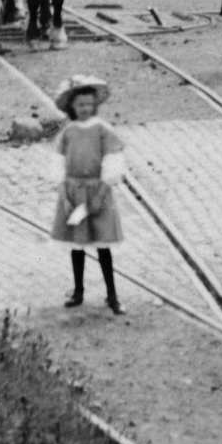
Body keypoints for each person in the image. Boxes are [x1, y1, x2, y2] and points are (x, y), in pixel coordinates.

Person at [52, 76, 127, 314]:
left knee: (103, 245)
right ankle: (78, 291)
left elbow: (113, 164)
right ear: (72, 106)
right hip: (74, 193)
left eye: (89, 104)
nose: (85, 108)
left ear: (95, 105)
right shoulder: (68, 132)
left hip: (98, 193)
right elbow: (58, 165)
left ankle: (112, 294)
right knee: (77, 245)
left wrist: (100, 195)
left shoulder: (103, 131)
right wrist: (64, 194)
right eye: (80, 104)